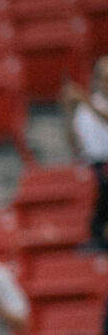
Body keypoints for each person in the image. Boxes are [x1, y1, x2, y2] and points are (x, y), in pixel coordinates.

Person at [59, 55, 108, 248]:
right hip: (92, 166)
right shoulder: (85, 108)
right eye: (103, 78)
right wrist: (68, 109)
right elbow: (73, 144)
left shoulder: (88, 103)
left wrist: (84, 99)